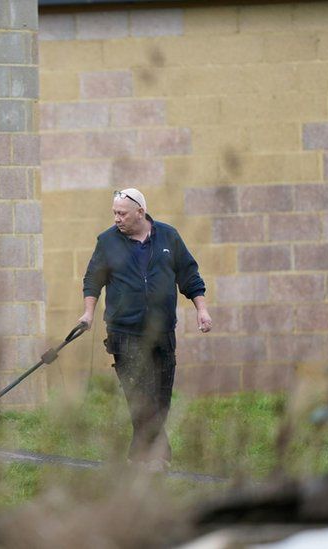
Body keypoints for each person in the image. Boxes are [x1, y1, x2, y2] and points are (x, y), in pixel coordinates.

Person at [79, 187, 212, 469]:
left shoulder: (168, 237)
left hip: (163, 332)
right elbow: (93, 280)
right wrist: (88, 314)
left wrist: (201, 310)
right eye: (114, 213)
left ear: (140, 212)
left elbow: (189, 275)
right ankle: (157, 457)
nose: (116, 218)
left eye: (122, 213)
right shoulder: (107, 242)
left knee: (161, 398)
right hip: (124, 332)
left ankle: (139, 456)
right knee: (140, 396)